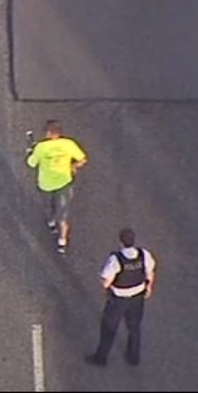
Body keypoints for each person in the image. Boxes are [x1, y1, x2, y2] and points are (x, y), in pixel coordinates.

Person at [85, 228, 156, 367]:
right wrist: (149, 287)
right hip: (137, 297)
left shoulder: (116, 260)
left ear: (121, 242)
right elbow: (150, 273)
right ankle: (133, 357)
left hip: (118, 299)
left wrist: (103, 281)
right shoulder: (144, 255)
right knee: (134, 327)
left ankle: (101, 358)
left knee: (109, 328)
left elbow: (106, 282)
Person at [25, 119, 87, 254]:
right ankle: (62, 241)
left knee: (48, 206)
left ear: (48, 133)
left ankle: (51, 223)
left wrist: (30, 152)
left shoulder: (41, 147)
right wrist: (73, 166)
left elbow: (31, 163)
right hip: (64, 183)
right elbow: (82, 159)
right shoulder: (69, 144)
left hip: (46, 185)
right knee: (63, 213)